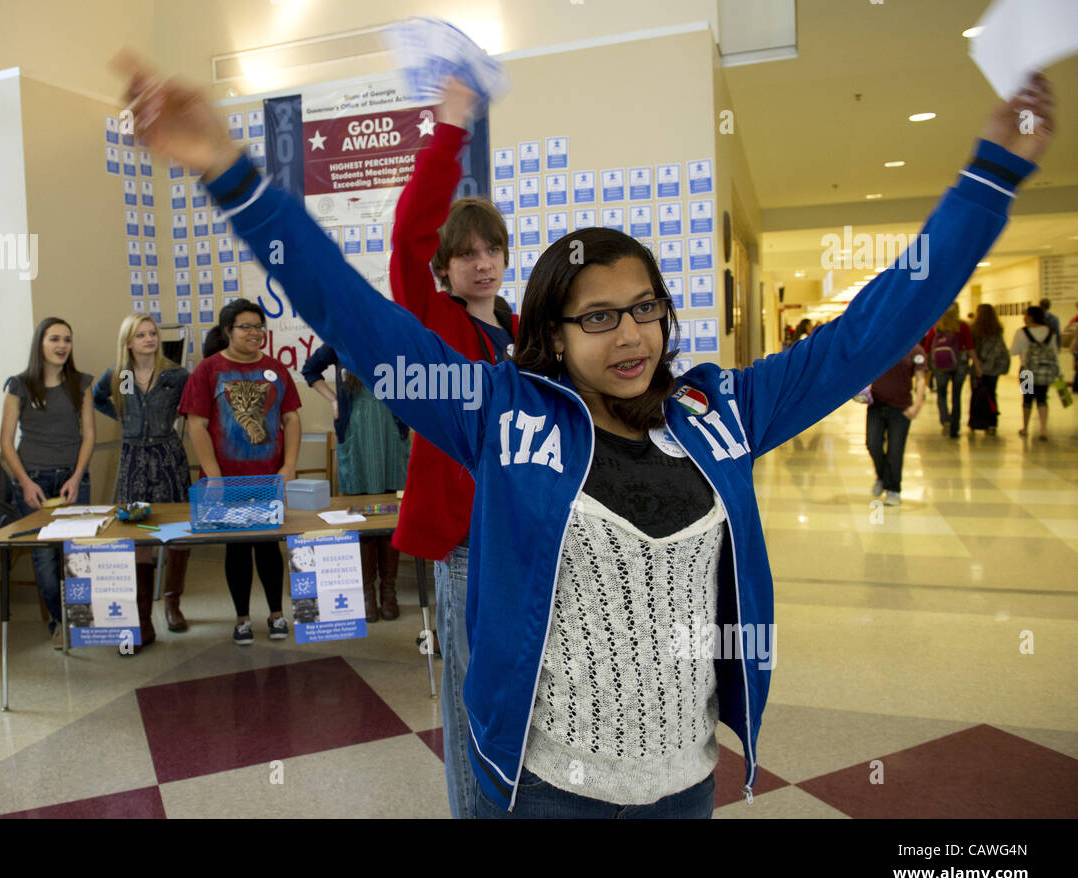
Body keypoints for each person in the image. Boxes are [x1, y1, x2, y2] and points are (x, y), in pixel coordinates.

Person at [117, 49, 1050, 818]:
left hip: (686, 783)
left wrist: (990, 175)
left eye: (644, 308)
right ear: (551, 340)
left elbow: (873, 330)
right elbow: (349, 309)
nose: (632, 333)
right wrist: (231, 172)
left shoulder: (720, 415)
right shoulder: (500, 411)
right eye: (598, 317)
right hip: (542, 788)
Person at [385, 77, 517, 819]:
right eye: (465, 253)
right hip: (466, 546)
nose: (481, 263)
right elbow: (408, 234)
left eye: (491, 249)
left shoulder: (527, 330)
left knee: (521, 691)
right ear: (445, 266)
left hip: (528, 539)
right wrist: (450, 128)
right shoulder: (432, 321)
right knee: (469, 701)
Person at [180, 298, 301, 644]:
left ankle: (277, 615)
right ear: (227, 331)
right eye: (245, 326)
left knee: (267, 547)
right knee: (236, 549)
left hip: (268, 477)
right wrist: (214, 474)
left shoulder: (276, 370)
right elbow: (197, 426)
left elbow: (291, 419)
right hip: (224, 481)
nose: (254, 333)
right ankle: (242, 618)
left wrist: (289, 465)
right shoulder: (208, 371)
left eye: (258, 326)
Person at [93, 313, 191, 647]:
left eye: (152, 334)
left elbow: (192, 406)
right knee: (139, 537)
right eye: (141, 335)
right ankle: (143, 619)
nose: (149, 339)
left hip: (168, 456)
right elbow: (96, 398)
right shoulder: (118, 376)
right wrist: (123, 416)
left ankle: (173, 603)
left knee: (177, 532)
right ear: (128, 341)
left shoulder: (175, 375)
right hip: (133, 458)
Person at [0, 317, 95, 648]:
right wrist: (24, 482)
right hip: (35, 481)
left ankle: (81, 624)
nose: (62, 346)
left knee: (78, 555)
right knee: (44, 559)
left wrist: (77, 475)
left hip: (73, 479)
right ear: (40, 343)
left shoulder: (81, 383)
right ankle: (59, 621)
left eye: (67, 340)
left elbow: (89, 436)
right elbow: (7, 443)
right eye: (54, 339)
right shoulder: (19, 384)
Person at [301, 342, 410, 620]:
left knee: (391, 516)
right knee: (359, 516)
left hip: (390, 439)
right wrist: (334, 400)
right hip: (355, 436)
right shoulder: (338, 341)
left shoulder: (394, 340)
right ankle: (365, 594)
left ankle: (388, 591)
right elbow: (310, 370)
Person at [865, 345, 927, 506]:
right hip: (876, 405)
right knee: (873, 444)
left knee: (895, 450)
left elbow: (921, 378)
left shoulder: (916, 351)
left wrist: (917, 405)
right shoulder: (881, 344)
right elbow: (865, 370)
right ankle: (882, 476)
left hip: (900, 408)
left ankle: (894, 489)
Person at [923, 304, 975, 438]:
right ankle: (955, 426)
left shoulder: (937, 327)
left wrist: (924, 365)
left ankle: (945, 420)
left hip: (940, 365)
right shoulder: (962, 326)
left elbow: (927, 347)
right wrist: (977, 364)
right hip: (960, 365)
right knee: (956, 396)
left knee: (941, 394)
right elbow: (970, 347)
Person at [1011, 305, 1062, 442]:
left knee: (1027, 398)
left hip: (1027, 370)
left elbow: (1014, 351)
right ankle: (1043, 429)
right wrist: (1058, 371)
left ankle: (1025, 427)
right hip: (1044, 371)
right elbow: (1054, 353)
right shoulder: (1050, 332)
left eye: (1026, 315)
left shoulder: (1022, 332)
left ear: (1031, 317)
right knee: (1042, 398)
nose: (1024, 317)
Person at [968, 304, 1009, 434]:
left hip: (979, 366)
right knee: (991, 393)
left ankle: (976, 422)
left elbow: (971, 348)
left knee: (976, 393)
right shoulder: (997, 329)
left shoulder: (974, 329)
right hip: (994, 368)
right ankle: (992, 423)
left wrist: (977, 365)